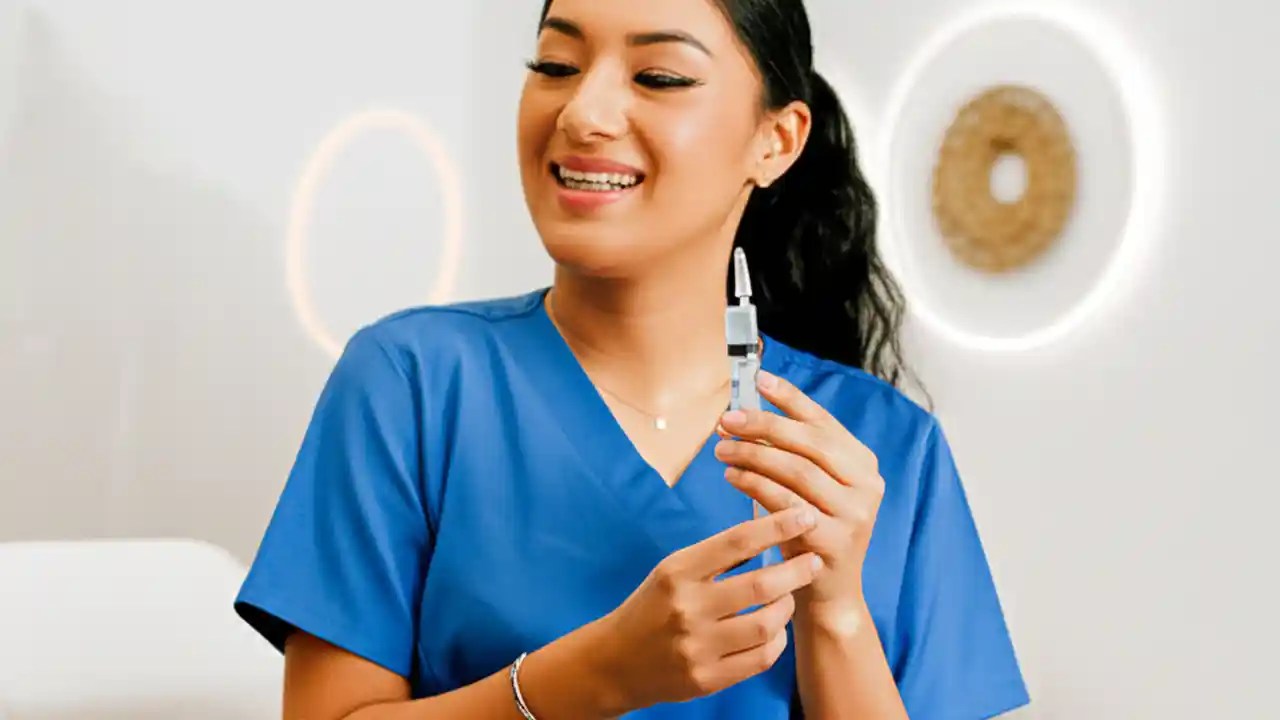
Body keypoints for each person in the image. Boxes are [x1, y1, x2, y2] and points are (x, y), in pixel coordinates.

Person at [234, 0, 1030, 718]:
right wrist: (598, 675)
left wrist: (836, 616)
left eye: (657, 75)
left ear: (775, 141)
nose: (583, 111)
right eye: (555, 65)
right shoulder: (411, 385)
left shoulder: (887, 448)